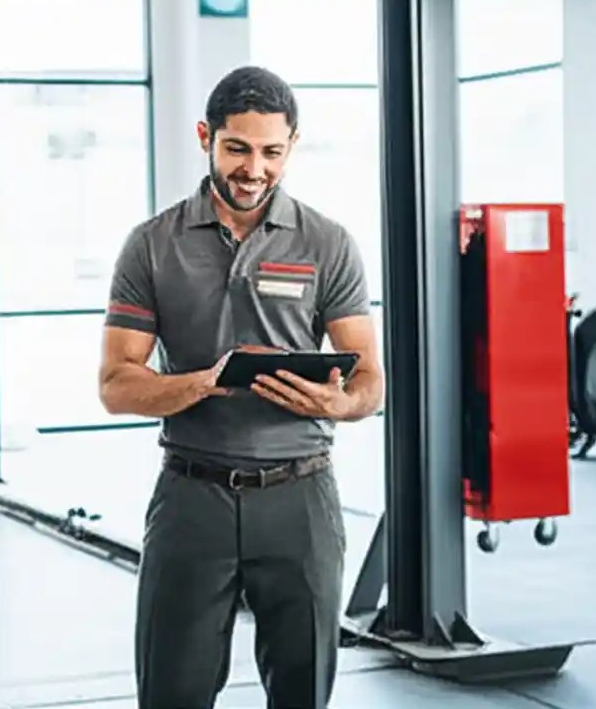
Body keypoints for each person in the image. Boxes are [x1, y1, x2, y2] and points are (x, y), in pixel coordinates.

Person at [97, 66, 385, 709]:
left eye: (271, 152)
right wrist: (206, 383)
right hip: (191, 500)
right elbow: (117, 385)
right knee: (172, 691)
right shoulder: (152, 246)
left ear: (291, 147)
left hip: (302, 499)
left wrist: (342, 403)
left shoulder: (328, 244)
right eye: (238, 149)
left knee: (303, 691)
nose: (254, 169)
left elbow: (370, 380)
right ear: (206, 136)